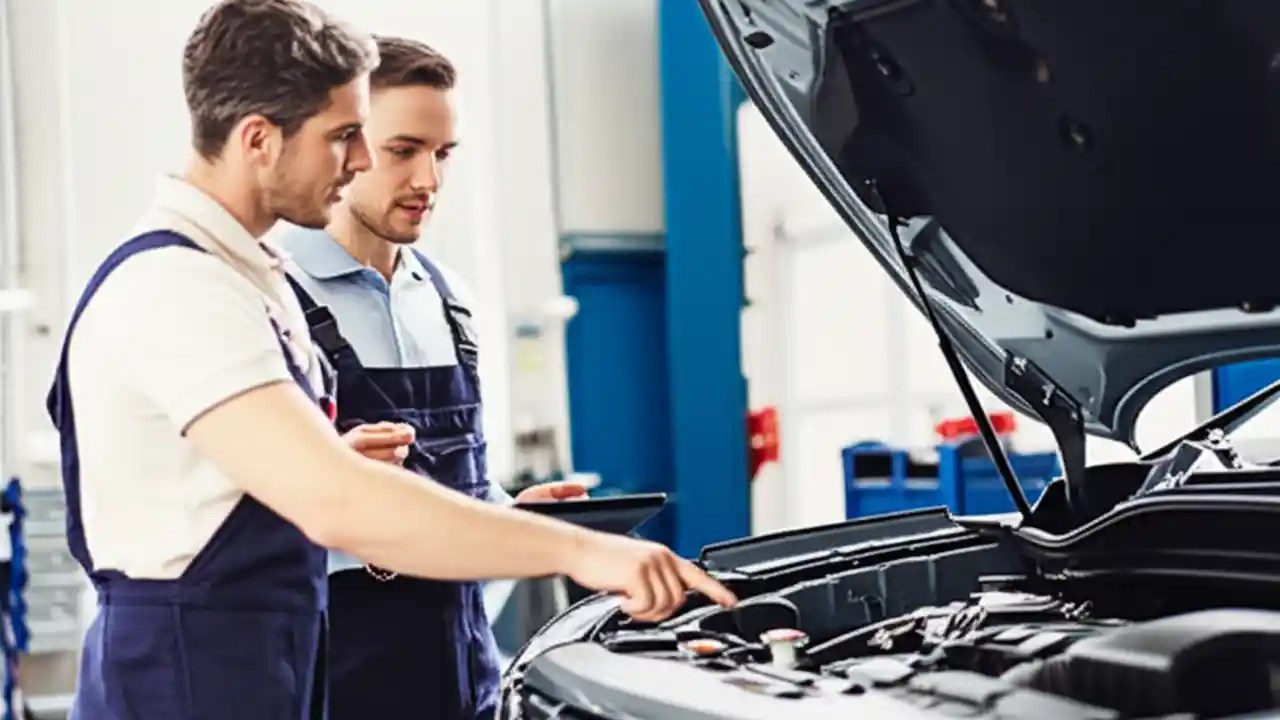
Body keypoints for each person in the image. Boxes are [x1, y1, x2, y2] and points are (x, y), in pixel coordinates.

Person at [43, 2, 736, 719]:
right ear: (258, 139)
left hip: (272, 667)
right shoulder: (179, 286)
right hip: (187, 681)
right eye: (346, 135)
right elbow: (334, 499)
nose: (365, 161)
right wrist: (578, 552)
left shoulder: (248, 278)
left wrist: (502, 522)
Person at [277, 36, 585, 719]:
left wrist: (510, 519)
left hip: (462, 676)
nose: (428, 181)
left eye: (442, 155)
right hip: (333, 683)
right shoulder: (274, 300)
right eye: (404, 150)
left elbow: (459, 486)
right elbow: (232, 529)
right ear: (346, 147)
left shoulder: (450, 301)